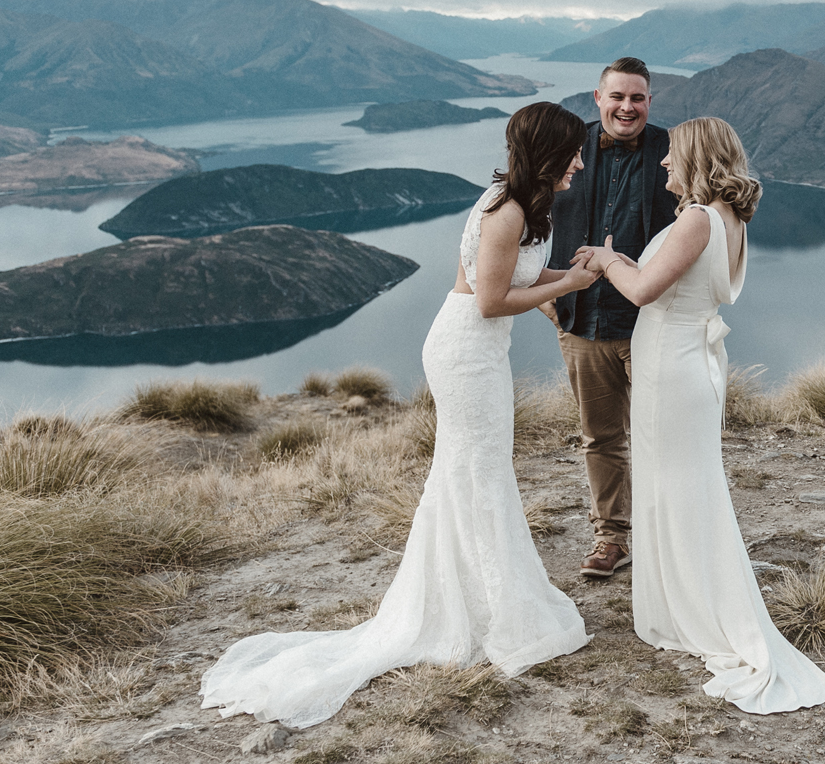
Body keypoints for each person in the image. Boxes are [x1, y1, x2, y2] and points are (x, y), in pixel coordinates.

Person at [200, 102, 599, 730]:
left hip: (475, 349)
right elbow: (493, 300)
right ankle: (485, 612)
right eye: (573, 150)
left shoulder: (522, 206)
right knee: (480, 472)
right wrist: (568, 288)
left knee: (470, 473)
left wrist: (565, 270)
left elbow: (512, 274)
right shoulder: (508, 210)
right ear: (548, 153)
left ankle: (474, 600)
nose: (581, 160)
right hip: (467, 351)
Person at [579, 117, 825, 714]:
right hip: (689, 363)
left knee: (677, 487)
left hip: (673, 368)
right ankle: (685, 602)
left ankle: (696, 613)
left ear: (697, 158)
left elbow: (643, 290)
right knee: (683, 486)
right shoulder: (729, 216)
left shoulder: (697, 219)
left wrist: (605, 257)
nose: (664, 164)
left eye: (672, 156)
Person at [546, 56, 679, 578]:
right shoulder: (564, 147)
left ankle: (670, 535)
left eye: (638, 98)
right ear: (597, 98)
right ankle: (611, 539)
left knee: (664, 434)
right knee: (599, 437)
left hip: (654, 321)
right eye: (617, 96)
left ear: (650, 101)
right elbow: (528, 221)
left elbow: (710, 212)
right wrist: (546, 300)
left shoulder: (673, 151)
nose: (628, 107)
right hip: (581, 321)